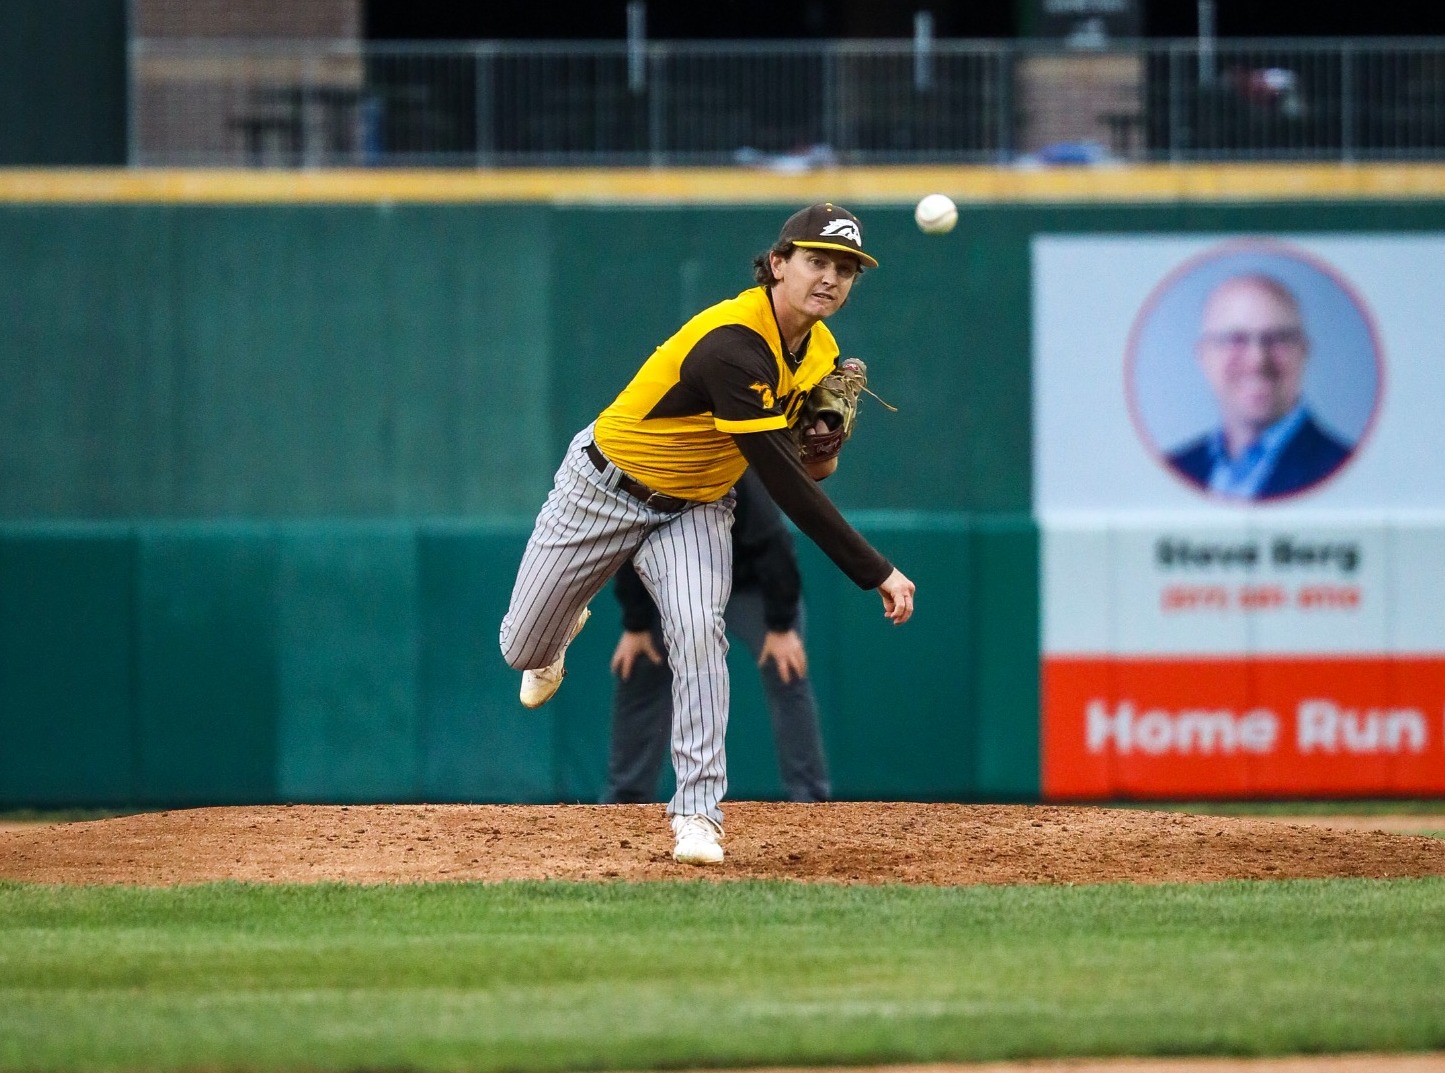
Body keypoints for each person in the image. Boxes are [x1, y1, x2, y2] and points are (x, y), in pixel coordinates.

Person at [499, 202, 915, 866]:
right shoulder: (732, 342)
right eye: (815, 260)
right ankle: (554, 632)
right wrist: (876, 569)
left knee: (697, 629)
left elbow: (812, 468)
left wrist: (824, 444)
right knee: (519, 648)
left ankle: (697, 813)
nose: (830, 277)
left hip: (694, 504)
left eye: (845, 268)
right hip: (603, 487)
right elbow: (784, 484)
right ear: (777, 264)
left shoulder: (821, 351)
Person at [603, 469, 830, 806]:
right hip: (676, 585)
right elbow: (628, 542)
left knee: (787, 671)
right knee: (639, 664)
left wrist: (781, 628)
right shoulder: (645, 468)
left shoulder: (729, 468)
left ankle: (811, 799)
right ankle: (625, 800)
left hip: (751, 585)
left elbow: (773, 541)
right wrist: (636, 626)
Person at [1166, 272, 1352, 501]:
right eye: (1235, 339)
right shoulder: (1173, 468)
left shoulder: (1346, 470)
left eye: (1277, 339)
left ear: (1303, 352)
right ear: (1203, 357)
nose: (1257, 360)